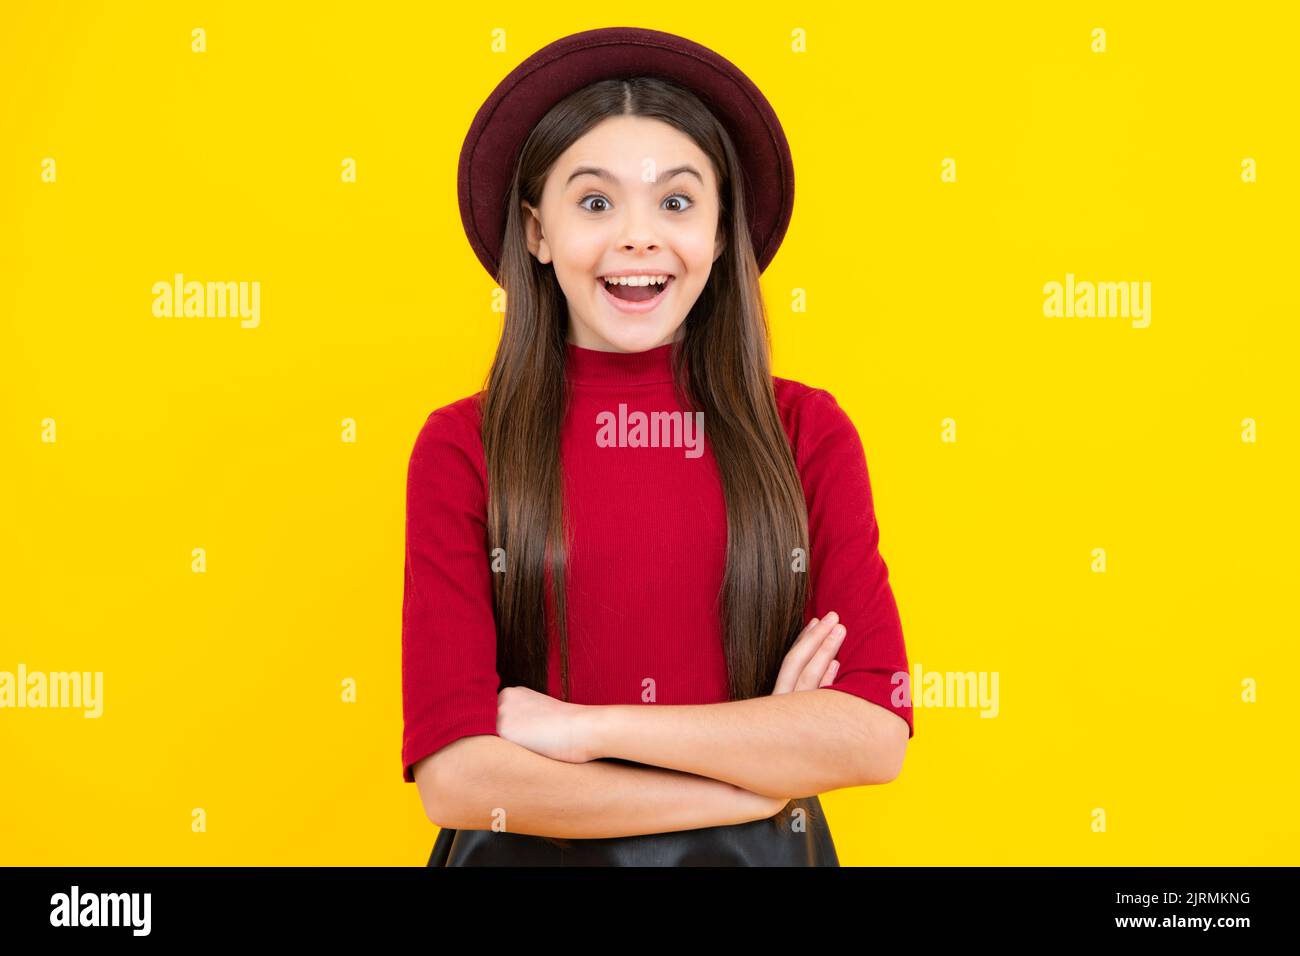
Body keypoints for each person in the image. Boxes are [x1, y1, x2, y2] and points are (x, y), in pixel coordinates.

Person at [402, 26, 914, 866]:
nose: (639, 237)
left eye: (676, 202)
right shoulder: (462, 447)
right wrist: (757, 775)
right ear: (535, 232)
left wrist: (583, 728)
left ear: (721, 232)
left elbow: (872, 735)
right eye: (594, 203)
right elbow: (458, 780)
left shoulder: (808, 433)